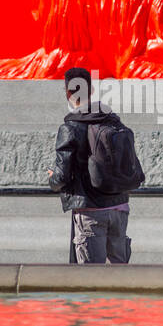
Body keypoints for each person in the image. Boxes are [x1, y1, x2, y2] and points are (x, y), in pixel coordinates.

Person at [48, 67, 133, 264]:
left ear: (69, 93)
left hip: (90, 211)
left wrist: (52, 178)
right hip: (120, 207)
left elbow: (61, 176)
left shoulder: (70, 128)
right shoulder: (114, 122)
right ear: (92, 90)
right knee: (122, 277)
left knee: (91, 280)